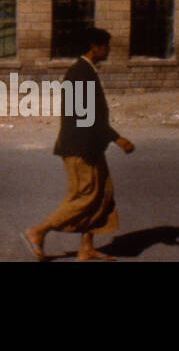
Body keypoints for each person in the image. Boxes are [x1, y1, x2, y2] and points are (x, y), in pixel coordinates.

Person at [24, 27, 134, 261]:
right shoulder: (80, 73)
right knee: (85, 198)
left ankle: (86, 248)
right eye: (106, 46)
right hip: (80, 149)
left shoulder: (85, 70)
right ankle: (38, 231)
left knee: (102, 194)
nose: (108, 50)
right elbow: (86, 116)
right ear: (94, 47)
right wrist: (117, 138)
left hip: (89, 146)